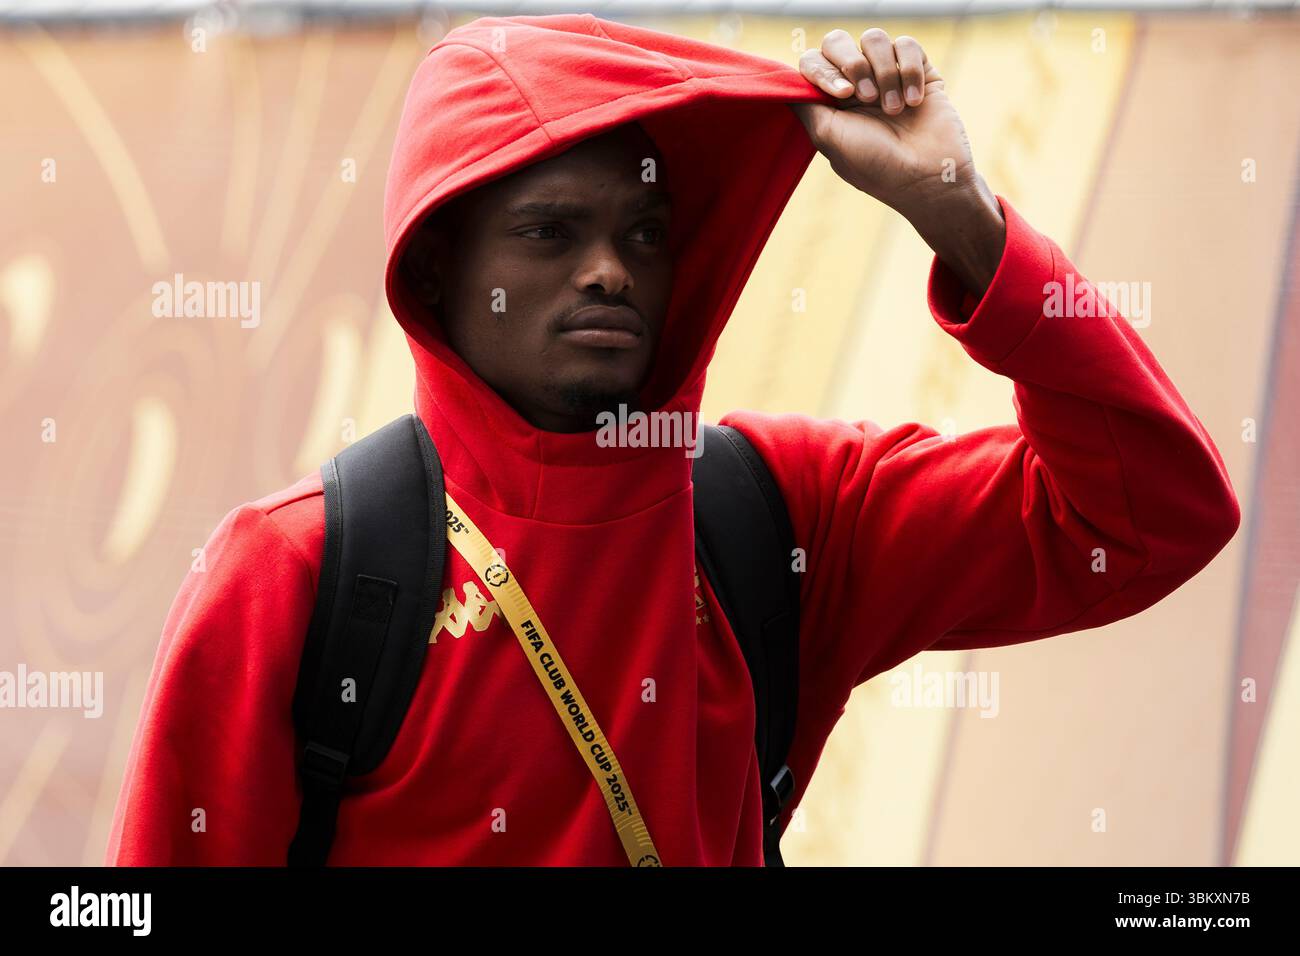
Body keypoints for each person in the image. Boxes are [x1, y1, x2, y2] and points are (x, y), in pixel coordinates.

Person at [106, 15, 1239, 866]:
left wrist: (961, 216)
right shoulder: (297, 574)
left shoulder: (783, 513)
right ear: (438, 269)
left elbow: (1150, 513)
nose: (610, 268)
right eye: (551, 230)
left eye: (646, 230)